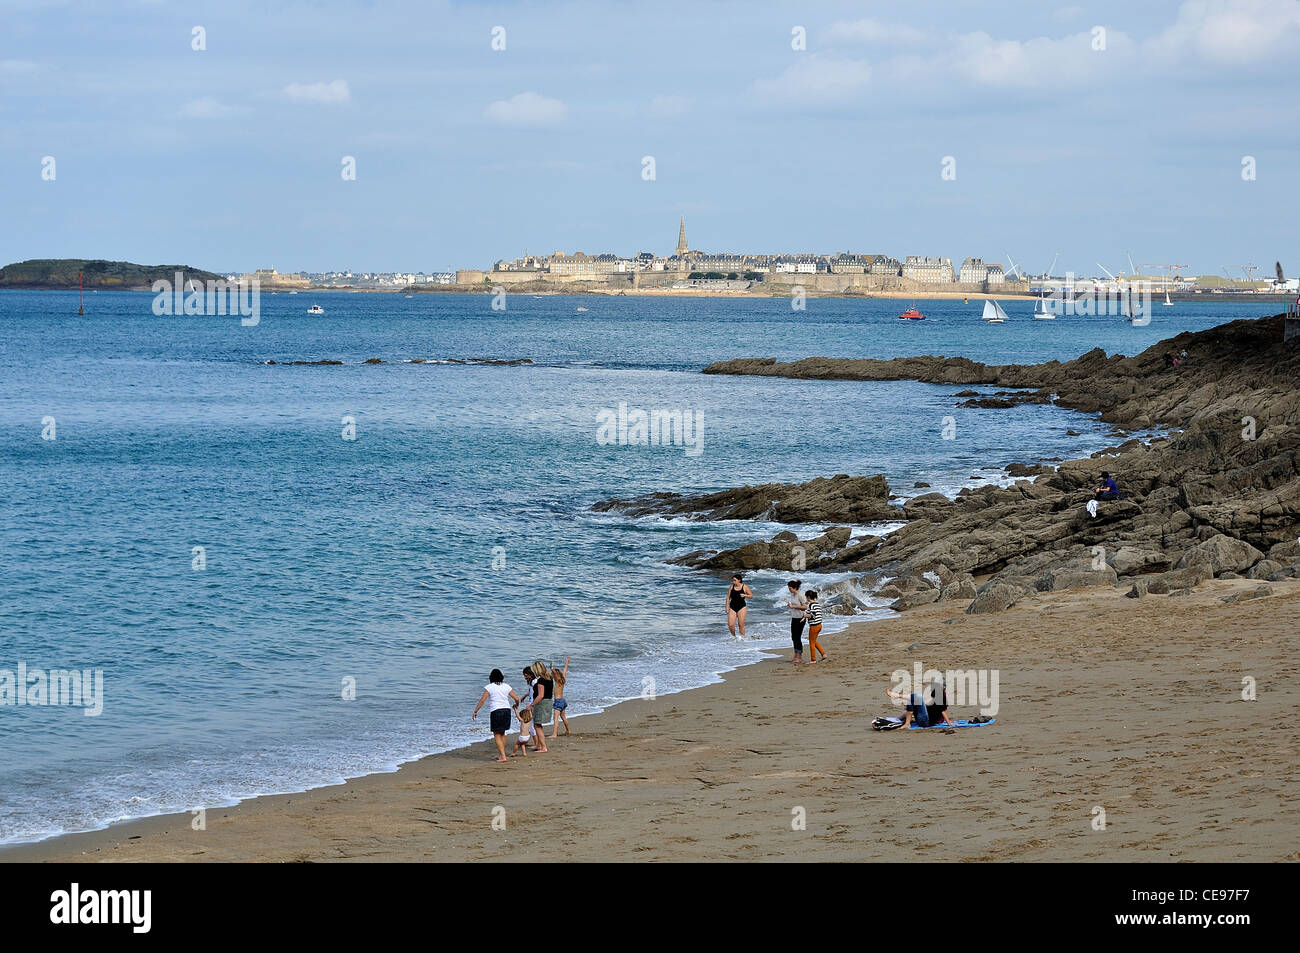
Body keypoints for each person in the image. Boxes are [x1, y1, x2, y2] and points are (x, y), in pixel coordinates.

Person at [472, 669, 522, 763]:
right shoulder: (506, 686)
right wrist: (517, 705)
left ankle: (503, 757)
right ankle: (501, 755)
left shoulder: (489, 687)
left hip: (496, 711)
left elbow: (482, 700)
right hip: (506, 710)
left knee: (496, 734)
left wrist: (476, 711)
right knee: (502, 733)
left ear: (491, 677)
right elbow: (516, 698)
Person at [886, 678, 955, 728]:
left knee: (917, 697)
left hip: (926, 722)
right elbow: (928, 702)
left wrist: (948, 722)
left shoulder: (941, 695)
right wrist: (918, 705)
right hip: (923, 718)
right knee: (913, 699)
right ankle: (902, 721)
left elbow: (943, 710)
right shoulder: (936, 692)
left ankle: (896, 695)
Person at [524, 661, 553, 752]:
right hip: (548, 701)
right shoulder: (549, 678)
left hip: (542, 703)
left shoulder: (541, 680)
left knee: (537, 725)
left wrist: (531, 705)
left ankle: (543, 747)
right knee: (538, 724)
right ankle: (540, 745)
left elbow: (540, 695)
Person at [784, 580, 807, 663]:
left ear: (794, 588)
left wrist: (793, 606)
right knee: (794, 637)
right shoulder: (793, 595)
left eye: (790, 588)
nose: (789, 590)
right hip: (794, 618)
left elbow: (805, 607)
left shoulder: (800, 595)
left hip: (801, 618)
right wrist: (790, 606)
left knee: (797, 637)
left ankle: (799, 657)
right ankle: (796, 656)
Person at [726, 574, 753, 639]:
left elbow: (751, 596)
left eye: (735, 580)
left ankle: (742, 638)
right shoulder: (731, 587)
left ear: (739, 580)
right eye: (733, 580)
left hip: (742, 607)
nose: (733, 582)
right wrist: (727, 607)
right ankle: (734, 637)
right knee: (730, 625)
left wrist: (745, 595)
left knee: (741, 624)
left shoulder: (744, 587)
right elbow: (728, 598)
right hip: (732, 607)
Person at [550, 657, 571, 738]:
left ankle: (554, 734)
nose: (553, 676)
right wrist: (567, 662)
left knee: (555, 718)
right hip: (563, 701)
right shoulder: (563, 679)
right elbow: (565, 670)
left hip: (558, 701)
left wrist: (551, 668)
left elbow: (555, 673)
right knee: (563, 717)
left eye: (553, 675)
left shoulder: (558, 681)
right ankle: (568, 730)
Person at [805, 589, 826, 663]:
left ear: (808, 597)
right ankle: (823, 654)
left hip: (814, 626)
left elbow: (812, 615)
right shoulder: (817, 604)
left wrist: (804, 616)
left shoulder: (811, 605)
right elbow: (813, 613)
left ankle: (813, 660)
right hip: (819, 625)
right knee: (814, 641)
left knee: (811, 642)